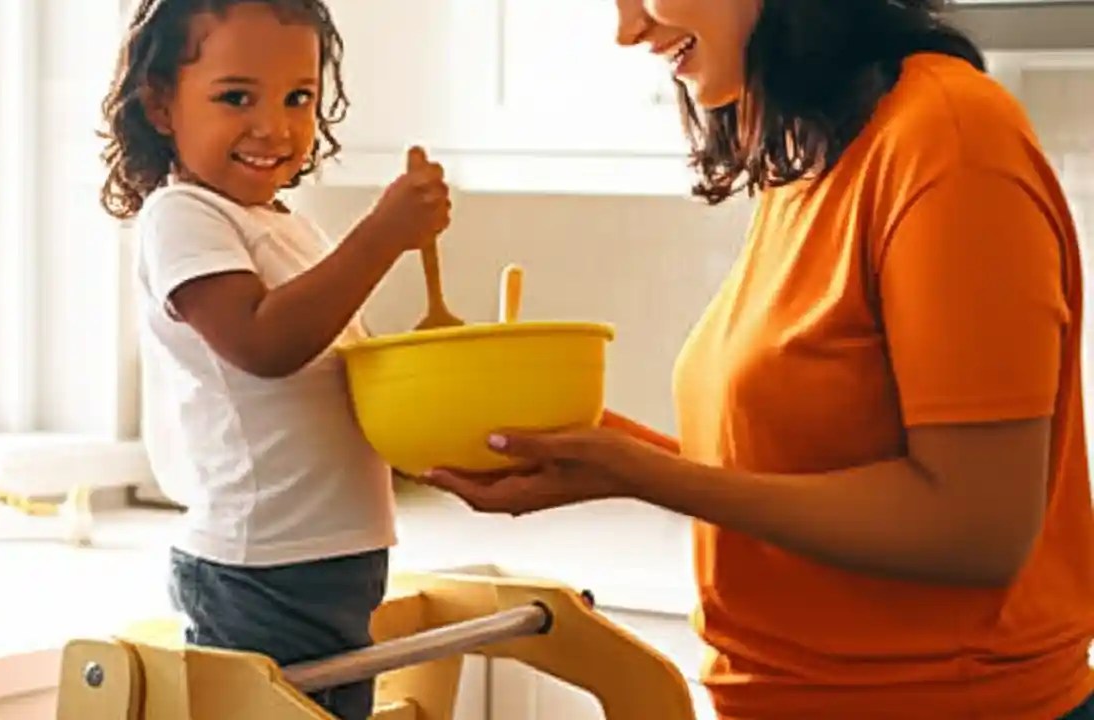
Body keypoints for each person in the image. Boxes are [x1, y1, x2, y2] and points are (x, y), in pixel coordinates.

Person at [420, 1, 1094, 718]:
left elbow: (976, 526)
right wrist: (609, 454)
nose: (627, 29)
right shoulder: (818, 148)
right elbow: (805, 475)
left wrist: (643, 473)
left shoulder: (949, 137)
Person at [97, 1, 450, 718]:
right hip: (259, 571)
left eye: (300, 97)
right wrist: (382, 235)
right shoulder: (185, 217)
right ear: (161, 105)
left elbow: (335, 374)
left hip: (335, 559)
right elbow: (264, 345)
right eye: (236, 97)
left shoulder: (290, 228)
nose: (276, 126)